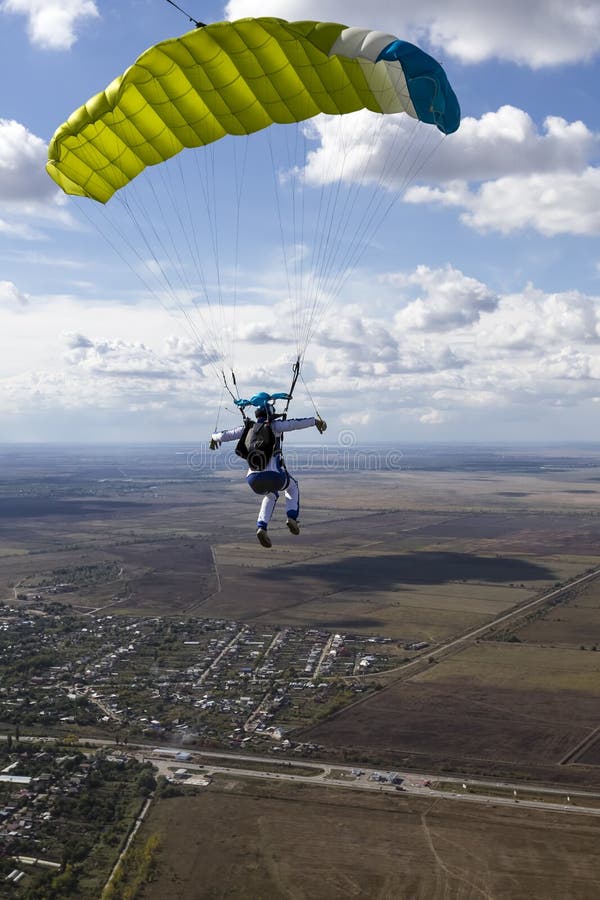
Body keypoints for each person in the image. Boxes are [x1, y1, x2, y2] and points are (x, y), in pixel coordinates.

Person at [210, 396, 327, 548]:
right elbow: (295, 424)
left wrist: (213, 438)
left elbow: (224, 435)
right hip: (274, 476)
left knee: (271, 495)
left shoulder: (247, 428)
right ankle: (292, 517)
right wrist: (316, 421)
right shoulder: (275, 426)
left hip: (253, 480)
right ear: (270, 413)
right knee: (292, 486)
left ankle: (261, 527)